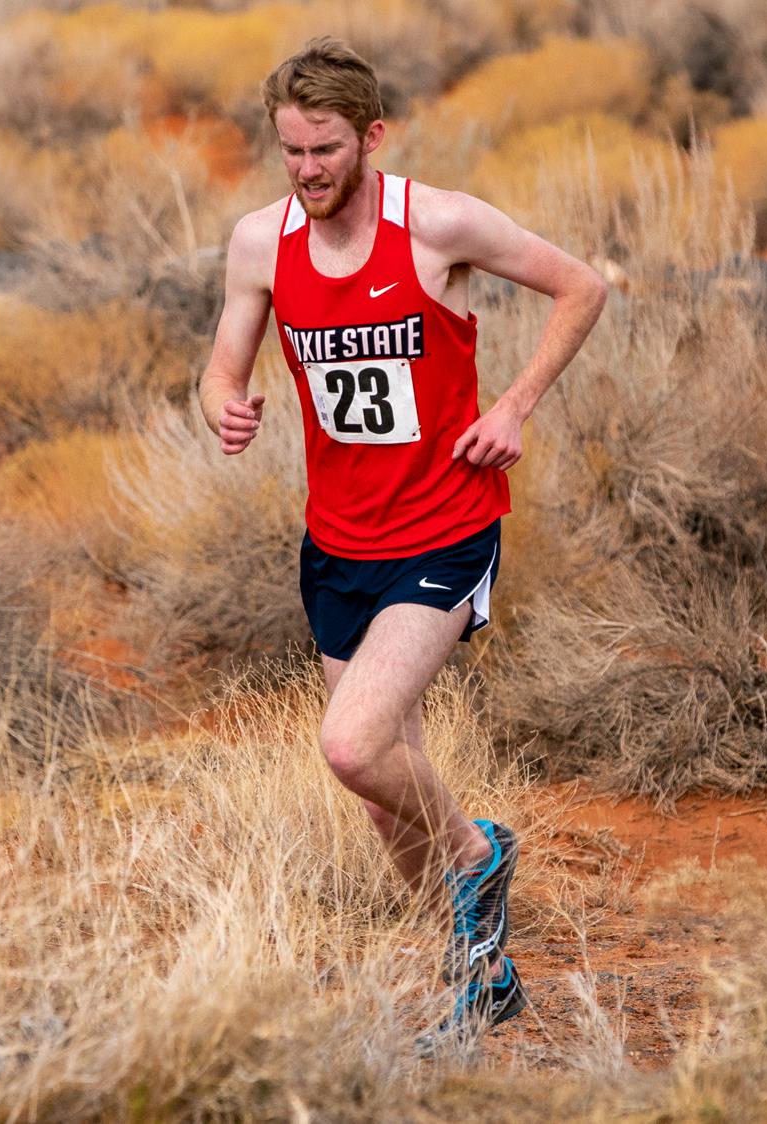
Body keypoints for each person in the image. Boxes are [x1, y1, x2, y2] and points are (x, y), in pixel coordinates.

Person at [196, 36, 607, 1050]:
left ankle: (477, 855)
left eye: (324, 149)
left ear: (369, 135)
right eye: (290, 151)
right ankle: (481, 979)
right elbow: (222, 367)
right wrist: (226, 407)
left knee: (350, 745)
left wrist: (513, 403)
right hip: (335, 545)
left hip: (445, 529)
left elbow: (581, 286)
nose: (306, 170)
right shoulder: (260, 243)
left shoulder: (437, 226)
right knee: (387, 806)